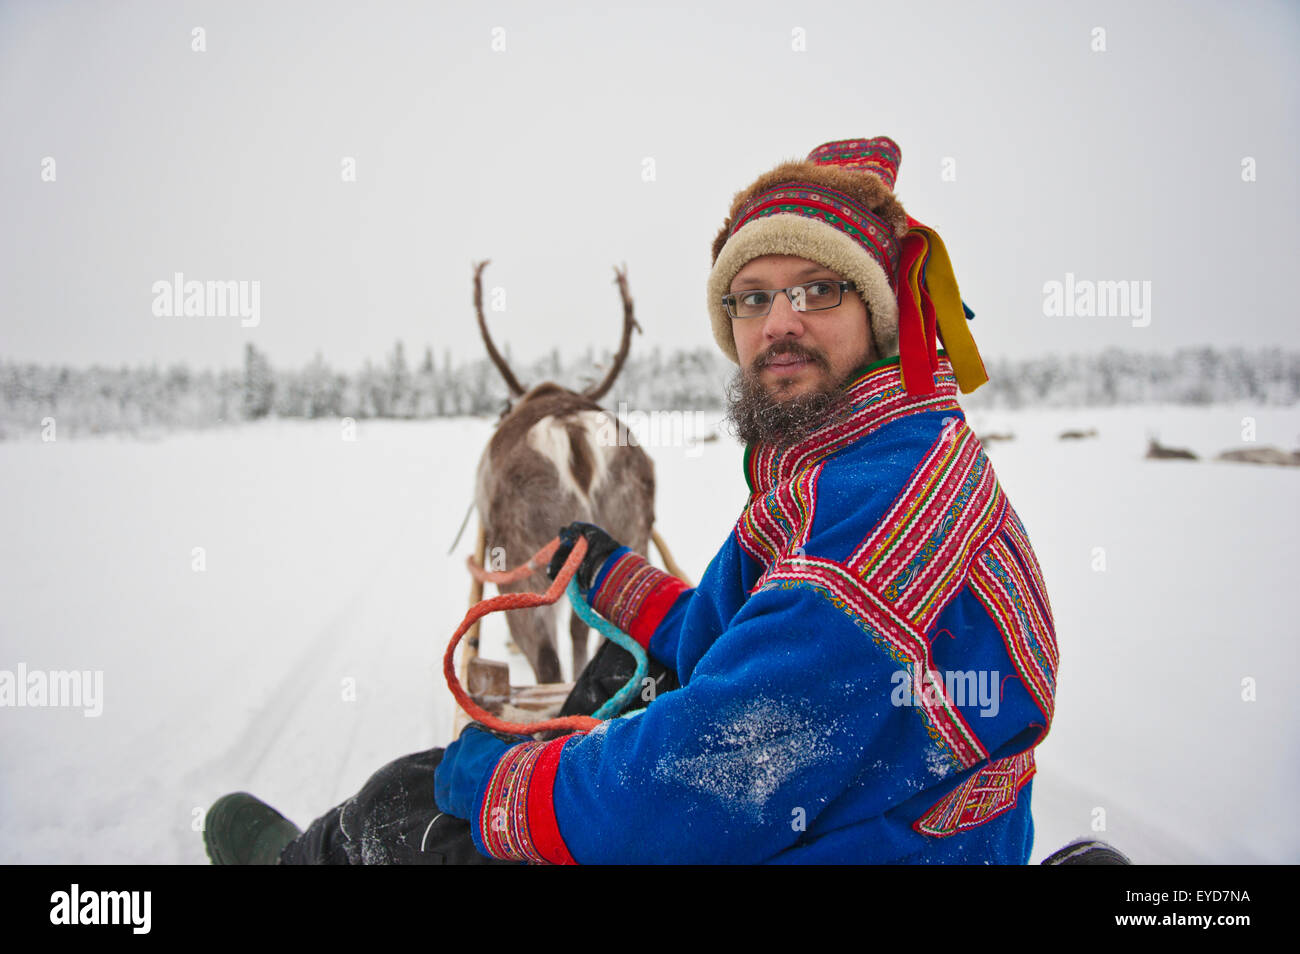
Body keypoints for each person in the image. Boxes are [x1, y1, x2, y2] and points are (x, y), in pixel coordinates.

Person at [205, 136, 1064, 865]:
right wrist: (611, 572)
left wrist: (498, 784)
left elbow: (692, 788)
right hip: (868, 805)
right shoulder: (841, 465)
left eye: (818, 289)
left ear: (879, 316)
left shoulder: (879, 523)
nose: (779, 323)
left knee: (415, 802)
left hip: (862, 841)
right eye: (753, 298)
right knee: (622, 674)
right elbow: (720, 643)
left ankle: (310, 857)